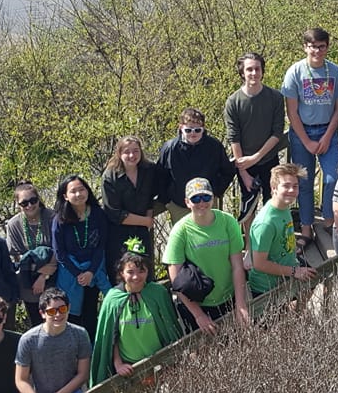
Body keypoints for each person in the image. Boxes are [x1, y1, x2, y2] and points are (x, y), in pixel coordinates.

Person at [91, 252, 183, 393]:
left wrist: (169, 362)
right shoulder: (112, 299)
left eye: (141, 271)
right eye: (130, 272)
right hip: (132, 370)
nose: (136, 276)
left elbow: (170, 327)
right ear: (121, 273)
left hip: (161, 364)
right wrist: (118, 363)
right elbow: (110, 336)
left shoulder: (158, 292)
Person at [281, 27, 338, 244]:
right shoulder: (295, 72)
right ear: (305, 47)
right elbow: (291, 111)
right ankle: (307, 227)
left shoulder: (335, 72)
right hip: (302, 132)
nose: (317, 51)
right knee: (303, 182)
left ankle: (330, 221)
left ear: (327, 47)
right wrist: (307, 141)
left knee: (333, 178)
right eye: (313, 47)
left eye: (321, 46)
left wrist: (328, 136)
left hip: (328, 130)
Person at [164, 177, 252, 334]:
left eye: (206, 197)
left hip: (228, 298)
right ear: (187, 202)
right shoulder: (180, 230)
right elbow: (175, 279)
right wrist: (198, 315)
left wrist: (241, 305)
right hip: (197, 302)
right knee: (203, 353)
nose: (201, 203)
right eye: (195, 198)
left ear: (213, 198)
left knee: (237, 344)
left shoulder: (228, 222)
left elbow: (237, 266)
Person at [51, 174, 112, 339]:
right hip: (71, 273)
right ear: (65, 196)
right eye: (73, 191)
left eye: (81, 189)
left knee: (91, 312)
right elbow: (59, 252)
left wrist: (90, 272)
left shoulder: (98, 214)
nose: (78, 194)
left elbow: (101, 246)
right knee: (72, 314)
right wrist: (78, 274)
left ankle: (95, 352)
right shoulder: (59, 220)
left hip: (95, 268)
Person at [223, 52, 286, 210]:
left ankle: (272, 235)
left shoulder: (275, 97)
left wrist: (256, 157)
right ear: (242, 73)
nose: (254, 73)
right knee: (248, 208)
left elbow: (277, 132)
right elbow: (234, 137)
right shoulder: (233, 102)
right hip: (245, 163)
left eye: (257, 69)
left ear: (262, 71)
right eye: (249, 69)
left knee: (273, 203)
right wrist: (244, 172)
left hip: (269, 159)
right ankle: (249, 236)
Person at [246, 163, 316, 296]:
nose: (291, 190)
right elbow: (259, 264)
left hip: (287, 269)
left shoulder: (283, 207)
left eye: (295, 186)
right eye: (286, 186)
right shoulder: (265, 223)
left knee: (312, 283)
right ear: (274, 188)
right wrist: (295, 272)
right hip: (268, 287)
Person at [156, 108, 235, 224]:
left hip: (207, 202)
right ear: (180, 128)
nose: (193, 133)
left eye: (197, 130)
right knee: (184, 239)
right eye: (188, 130)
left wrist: (216, 191)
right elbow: (160, 176)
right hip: (179, 205)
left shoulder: (214, 146)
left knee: (210, 237)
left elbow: (227, 171)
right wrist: (167, 200)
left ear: (203, 129)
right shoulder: (169, 148)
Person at [102, 136, 161, 279]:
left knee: (144, 271)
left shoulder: (149, 170)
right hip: (118, 233)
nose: (131, 155)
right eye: (127, 152)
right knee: (123, 275)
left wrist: (149, 214)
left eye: (136, 151)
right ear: (119, 153)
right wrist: (146, 221)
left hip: (142, 232)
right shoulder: (110, 176)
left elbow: (154, 195)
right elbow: (114, 213)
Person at [5, 181, 56, 328]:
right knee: (37, 324)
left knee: (55, 318)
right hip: (28, 282)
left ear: (38, 199)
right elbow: (15, 255)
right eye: (24, 203)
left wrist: (43, 276)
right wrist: (38, 270)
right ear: (18, 204)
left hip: (54, 277)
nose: (29, 206)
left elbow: (59, 250)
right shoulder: (13, 224)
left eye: (33, 201)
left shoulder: (52, 218)